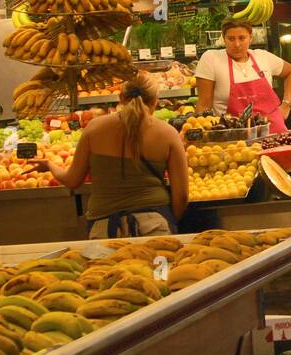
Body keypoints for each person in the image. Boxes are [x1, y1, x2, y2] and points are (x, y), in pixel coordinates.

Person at [45, 72, 189, 238]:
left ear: (121, 97)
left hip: (104, 227)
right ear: (156, 101)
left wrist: (50, 164)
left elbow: (72, 180)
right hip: (155, 224)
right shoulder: (168, 134)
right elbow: (182, 195)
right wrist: (168, 220)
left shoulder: (94, 128)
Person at [195, 18, 291, 133]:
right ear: (224, 39)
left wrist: (286, 105)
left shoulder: (263, 57)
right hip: (235, 138)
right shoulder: (211, 59)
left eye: (242, 38)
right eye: (231, 39)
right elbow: (203, 107)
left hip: (274, 132)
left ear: (250, 38)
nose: (237, 44)